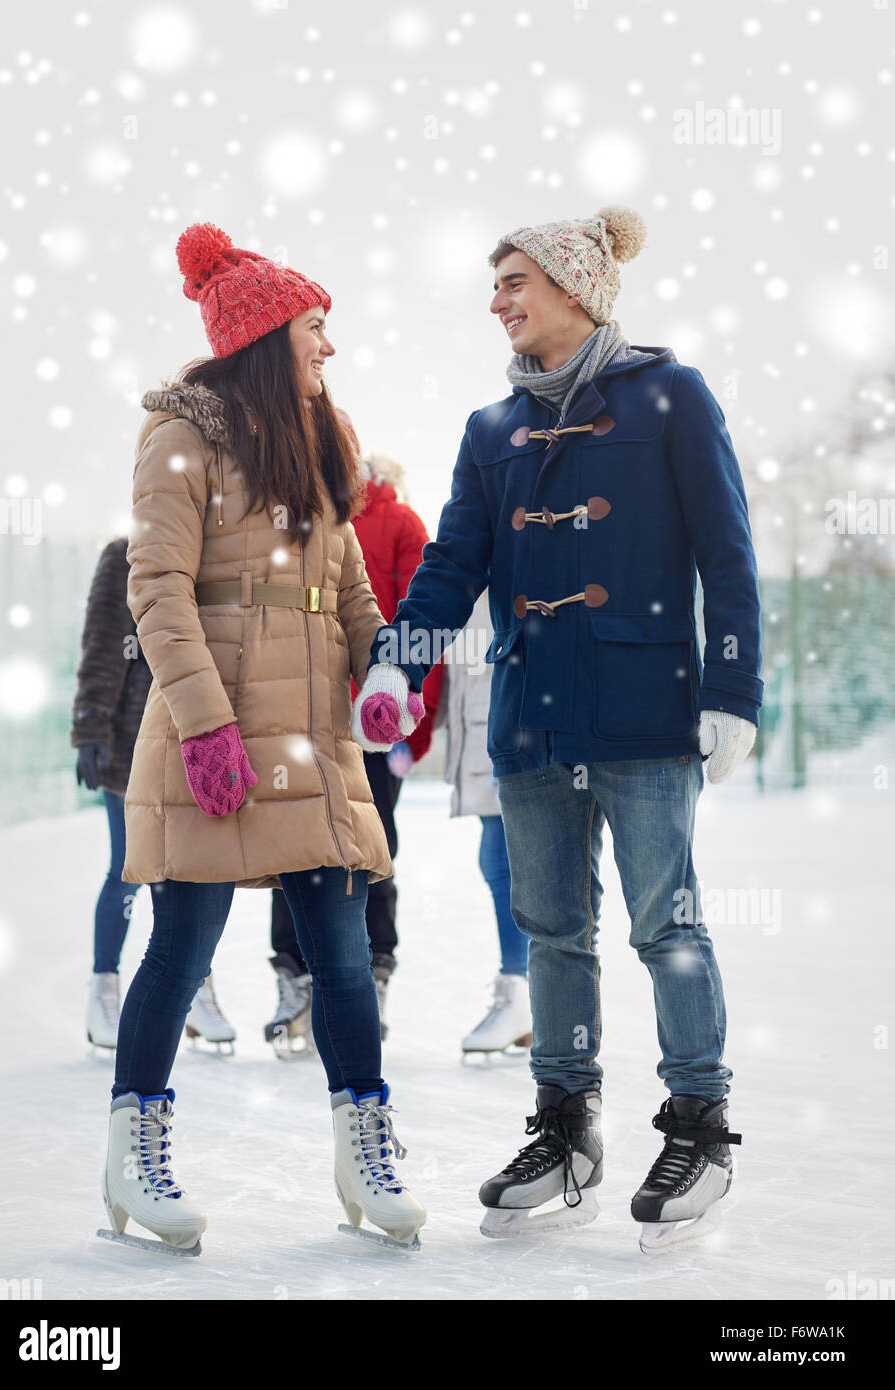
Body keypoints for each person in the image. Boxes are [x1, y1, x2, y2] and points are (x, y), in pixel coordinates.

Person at [352, 206, 761, 1252]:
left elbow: (726, 554)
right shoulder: (491, 432)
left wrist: (730, 690)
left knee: (663, 925)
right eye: (491, 284)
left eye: (512, 279)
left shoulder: (670, 396)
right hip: (531, 715)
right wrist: (397, 664)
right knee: (549, 931)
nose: (495, 300)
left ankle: (698, 1124)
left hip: (642, 710)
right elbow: (449, 569)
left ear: (577, 287)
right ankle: (566, 1123)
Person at [102, 221, 427, 1255]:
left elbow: (354, 588)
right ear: (265, 333)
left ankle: (363, 1152)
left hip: (315, 740)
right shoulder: (180, 437)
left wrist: (380, 671)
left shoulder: (325, 436)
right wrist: (202, 725)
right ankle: (134, 1155)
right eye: (314, 327)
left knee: (340, 955)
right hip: (222, 732)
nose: (329, 347)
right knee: (182, 945)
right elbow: (156, 589)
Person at [265, 441, 444, 1050]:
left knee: (370, 845)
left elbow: (421, 625)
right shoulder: (288, 512)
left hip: (374, 722)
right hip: (302, 715)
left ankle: (372, 970)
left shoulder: (398, 521)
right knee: (293, 843)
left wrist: (412, 718)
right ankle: (294, 976)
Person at [70, 539, 234, 1052]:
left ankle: (196, 991)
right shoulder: (124, 555)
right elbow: (101, 648)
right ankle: (104, 992)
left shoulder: (213, 554)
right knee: (128, 869)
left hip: (192, 741)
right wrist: (89, 729)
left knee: (190, 871)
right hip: (129, 745)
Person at [438, 588, 531, 1057]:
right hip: (486, 718)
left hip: (511, 718)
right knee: (501, 859)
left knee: (508, 860)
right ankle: (526, 992)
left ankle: (525, 991)